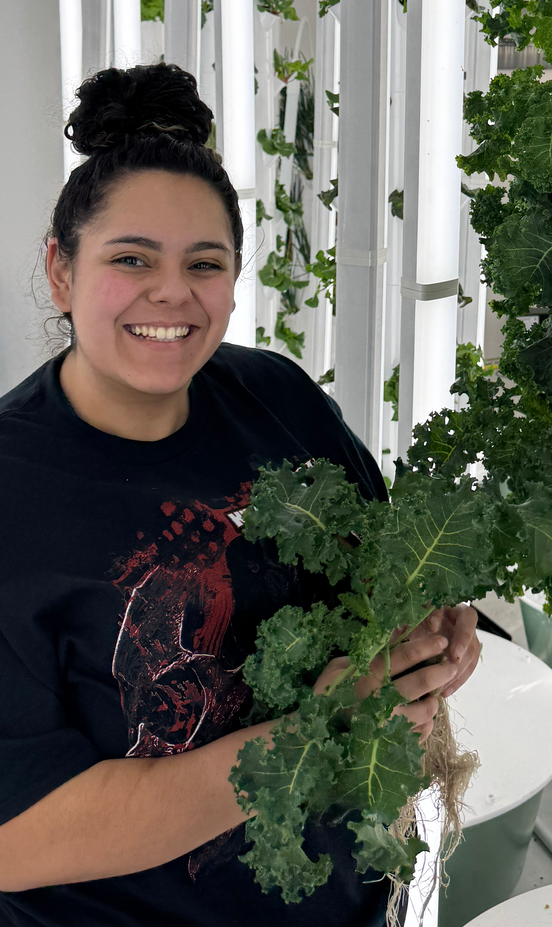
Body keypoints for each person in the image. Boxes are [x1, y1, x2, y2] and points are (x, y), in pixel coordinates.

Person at [0, 63, 481, 927]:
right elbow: (21, 836)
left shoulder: (276, 398)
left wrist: (429, 631)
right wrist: (320, 730)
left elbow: (381, 574)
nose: (171, 293)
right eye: (131, 258)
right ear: (61, 272)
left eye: (204, 263)